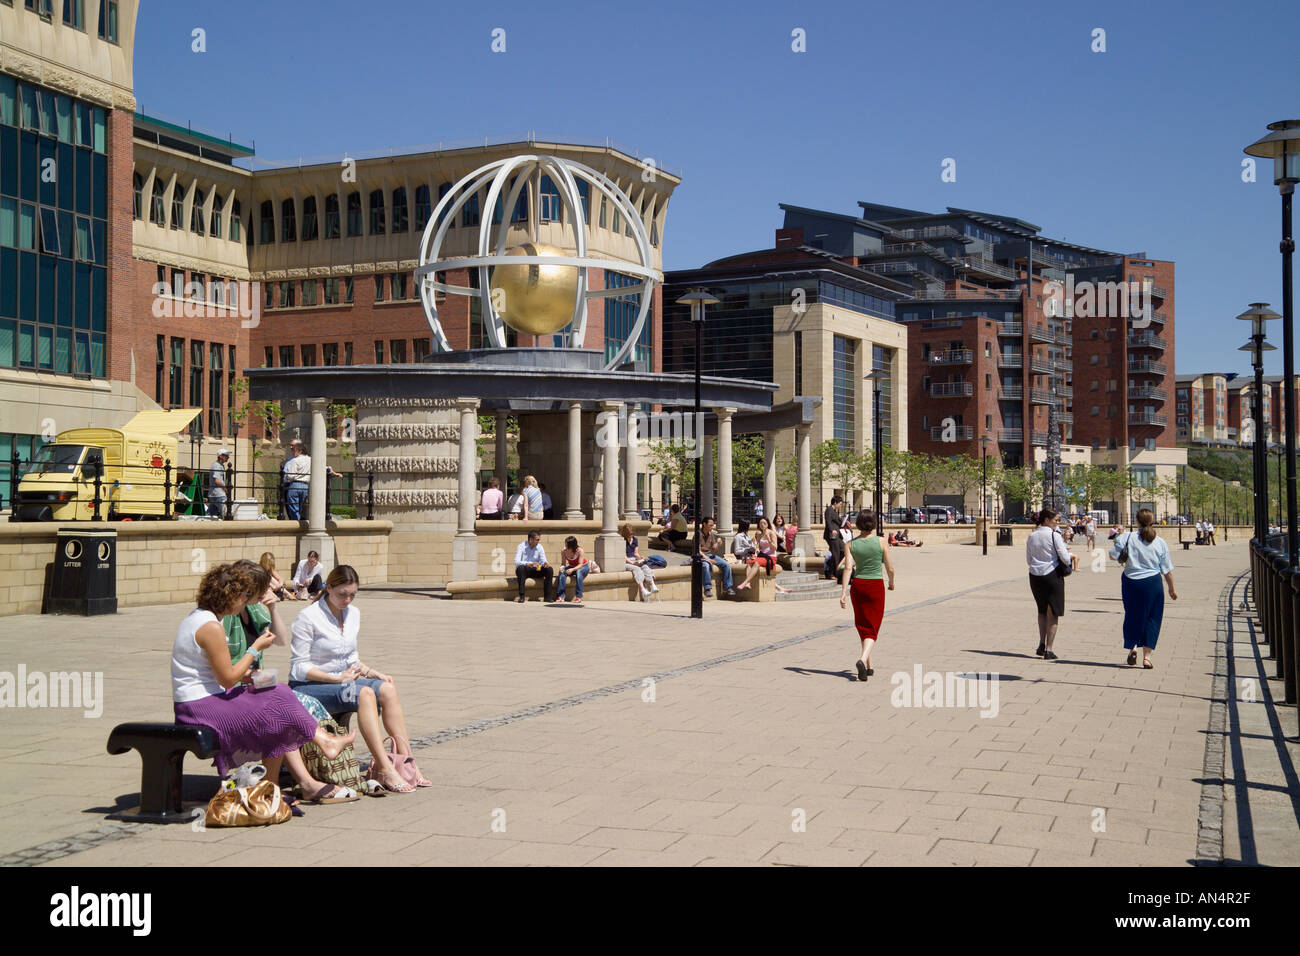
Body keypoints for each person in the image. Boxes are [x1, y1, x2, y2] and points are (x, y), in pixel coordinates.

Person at [172, 563, 359, 803]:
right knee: (279, 697)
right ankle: (323, 742)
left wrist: (246, 675)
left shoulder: (202, 619)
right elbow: (226, 678)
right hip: (198, 707)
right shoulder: (210, 626)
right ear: (231, 597)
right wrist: (255, 648)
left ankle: (272, 787)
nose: (245, 603)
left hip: (203, 700)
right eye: (244, 597)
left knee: (276, 698)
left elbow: (220, 673)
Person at [289, 565, 429, 793]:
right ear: (329, 587)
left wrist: (373, 672)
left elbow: (350, 658)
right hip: (310, 686)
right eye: (342, 594)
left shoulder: (353, 613)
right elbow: (298, 667)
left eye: (353, 594)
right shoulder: (308, 617)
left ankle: (407, 764)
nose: (348, 599)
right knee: (364, 693)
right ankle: (384, 767)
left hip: (343, 681)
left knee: (386, 689)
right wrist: (335, 679)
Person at [1110, 508, 1177, 669]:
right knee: (1152, 618)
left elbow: (1112, 556)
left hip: (1131, 581)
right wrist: (1171, 589)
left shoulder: (1127, 537)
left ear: (1137, 521)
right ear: (1152, 521)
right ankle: (1147, 657)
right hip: (1152, 583)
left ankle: (1132, 647)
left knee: (1132, 615)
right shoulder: (1159, 541)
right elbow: (1167, 570)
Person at [839, 509, 895, 682]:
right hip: (875, 585)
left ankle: (869, 666)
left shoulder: (850, 544)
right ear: (874, 523)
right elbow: (890, 568)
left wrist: (843, 593)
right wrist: (891, 582)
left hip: (858, 586)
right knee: (873, 627)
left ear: (858, 524)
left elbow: (848, 568)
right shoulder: (881, 541)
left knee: (863, 624)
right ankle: (863, 660)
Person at [1026, 508, 1078, 661]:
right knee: (1053, 612)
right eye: (1055, 520)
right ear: (1046, 520)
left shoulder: (1032, 535)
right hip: (1052, 574)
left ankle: (1041, 644)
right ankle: (1049, 649)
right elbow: (1065, 558)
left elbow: (1029, 560)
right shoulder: (1054, 535)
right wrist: (1069, 555)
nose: (1057, 522)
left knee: (1041, 610)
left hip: (1035, 575)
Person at [697, 516, 736, 597]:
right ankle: (707, 588)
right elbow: (698, 551)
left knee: (726, 564)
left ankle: (727, 587)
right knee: (705, 566)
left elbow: (714, 549)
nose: (712, 527)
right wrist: (708, 560)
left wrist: (718, 544)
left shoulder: (711, 534)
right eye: (710, 525)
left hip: (710, 555)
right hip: (701, 556)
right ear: (704, 524)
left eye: (712, 525)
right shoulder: (698, 534)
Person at [620, 521, 658, 599]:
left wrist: (640, 558)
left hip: (633, 559)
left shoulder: (635, 540)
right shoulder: (621, 541)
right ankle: (642, 590)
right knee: (637, 569)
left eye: (632, 534)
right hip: (625, 561)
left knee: (645, 566)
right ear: (625, 534)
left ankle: (652, 584)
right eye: (630, 534)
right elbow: (623, 556)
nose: (631, 536)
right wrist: (632, 563)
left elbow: (636, 553)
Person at [513, 530, 554, 602]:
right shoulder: (521, 546)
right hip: (525, 570)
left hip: (536, 570)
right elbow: (516, 562)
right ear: (530, 540)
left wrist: (545, 563)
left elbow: (543, 560)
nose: (538, 541)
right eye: (537, 540)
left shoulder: (540, 547)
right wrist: (528, 564)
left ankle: (547, 597)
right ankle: (522, 596)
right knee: (520, 568)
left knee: (549, 569)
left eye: (539, 540)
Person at [555, 535, 589, 604]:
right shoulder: (564, 551)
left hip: (583, 567)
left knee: (579, 573)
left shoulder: (579, 550)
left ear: (572, 545)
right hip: (572, 566)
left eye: (567, 544)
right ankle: (561, 596)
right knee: (562, 573)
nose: (565, 545)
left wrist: (572, 570)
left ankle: (579, 596)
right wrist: (562, 567)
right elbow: (563, 563)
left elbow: (580, 564)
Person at [824, 495, 845, 581]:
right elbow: (828, 521)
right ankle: (831, 573)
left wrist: (844, 522)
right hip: (832, 536)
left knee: (843, 550)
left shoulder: (835, 511)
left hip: (837, 536)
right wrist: (832, 530)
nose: (840, 506)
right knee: (835, 554)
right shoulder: (829, 510)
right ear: (835, 502)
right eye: (839, 504)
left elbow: (839, 522)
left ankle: (830, 564)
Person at [207, 449, 230, 518]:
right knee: (225, 514)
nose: (228, 457)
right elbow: (217, 480)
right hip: (219, 494)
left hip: (213, 494)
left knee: (210, 515)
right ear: (220, 456)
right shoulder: (217, 466)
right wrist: (225, 488)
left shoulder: (218, 465)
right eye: (226, 455)